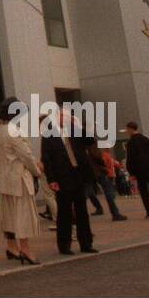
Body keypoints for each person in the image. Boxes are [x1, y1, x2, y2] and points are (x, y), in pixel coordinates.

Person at [0, 98, 43, 265]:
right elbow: (26, 156)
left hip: (4, 180)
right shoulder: (13, 131)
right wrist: (36, 171)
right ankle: (25, 249)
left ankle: (12, 247)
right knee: (24, 216)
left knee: (9, 216)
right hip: (19, 179)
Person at [39, 108, 97, 254]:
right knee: (64, 212)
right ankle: (64, 245)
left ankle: (86, 243)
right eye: (62, 115)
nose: (65, 118)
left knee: (82, 211)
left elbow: (90, 141)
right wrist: (51, 179)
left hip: (78, 174)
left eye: (67, 116)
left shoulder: (75, 130)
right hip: (62, 177)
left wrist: (79, 125)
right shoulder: (49, 134)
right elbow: (46, 157)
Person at [124, 122, 149, 218]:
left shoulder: (130, 143)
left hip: (139, 170)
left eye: (127, 129)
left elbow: (129, 159)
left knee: (144, 191)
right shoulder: (146, 139)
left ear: (130, 129)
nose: (127, 131)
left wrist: (131, 172)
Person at [85, 146, 128, 221]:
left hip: (87, 172)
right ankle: (115, 213)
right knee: (107, 191)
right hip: (98, 171)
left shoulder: (75, 142)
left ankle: (78, 214)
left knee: (87, 192)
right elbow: (97, 155)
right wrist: (103, 167)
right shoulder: (90, 142)